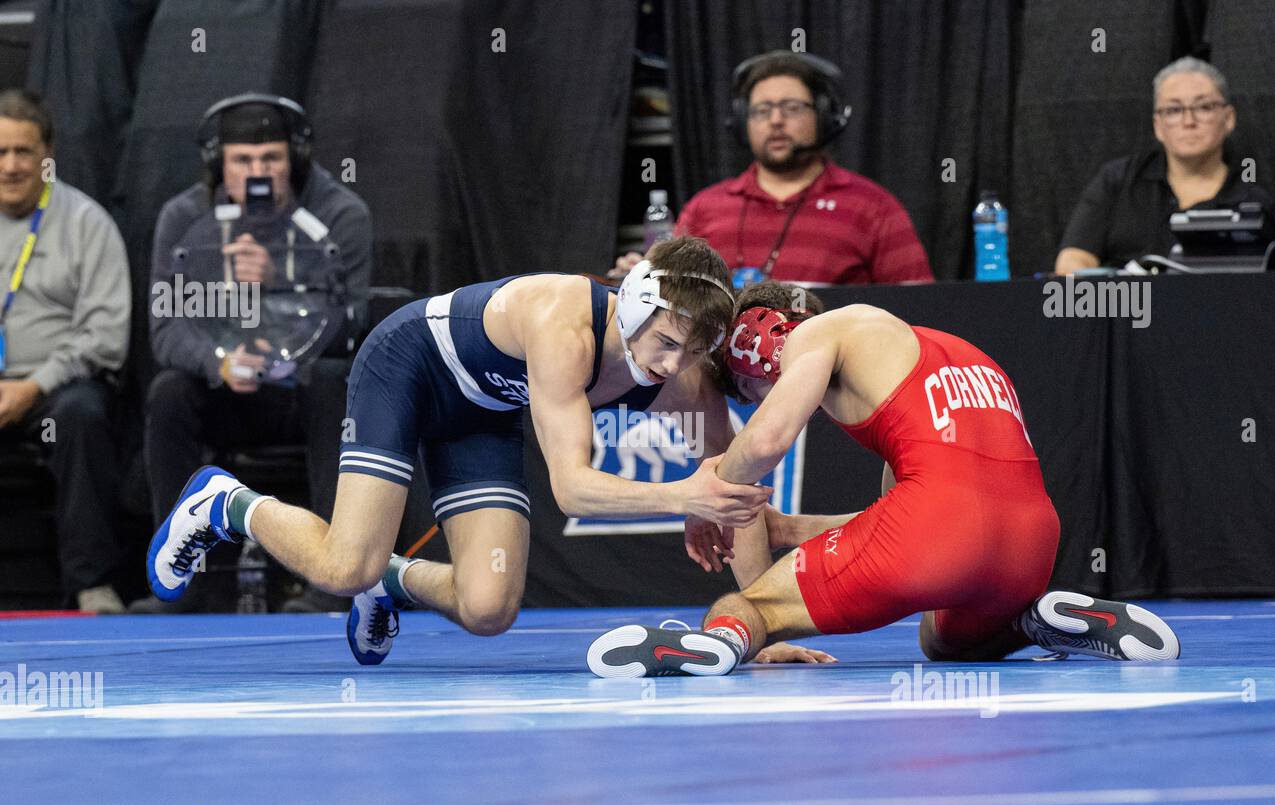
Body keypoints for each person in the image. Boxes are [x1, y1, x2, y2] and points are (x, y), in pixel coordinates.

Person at [146, 237, 772, 663]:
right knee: (343, 569)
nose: (672, 365)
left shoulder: (681, 374)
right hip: (409, 367)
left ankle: (390, 582)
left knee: (488, 607)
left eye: (693, 352)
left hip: (482, 412)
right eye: (666, 342)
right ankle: (224, 503)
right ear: (635, 304)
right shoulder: (566, 326)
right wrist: (685, 494)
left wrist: (761, 627)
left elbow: (737, 480)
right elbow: (573, 488)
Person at [588, 281, 1181, 677]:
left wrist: (708, 496)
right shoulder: (937, 348)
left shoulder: (819, 335)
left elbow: (766, 443)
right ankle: (1041, 617)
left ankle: (713, 645)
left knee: (750, 605)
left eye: (747, 390)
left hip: (935, 532)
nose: (753, 403)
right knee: (943, 642)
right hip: (1031, 541)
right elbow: (913, 510)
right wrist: (791, 527)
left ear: (757, 345)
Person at [136, 93, 372, 613]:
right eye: (243, 160)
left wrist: (282, 284)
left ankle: (335, 579)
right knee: (169, 391)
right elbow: (166, 327)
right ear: (219, 164)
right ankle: (185, 581)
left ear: (297, 159)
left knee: (336, 380)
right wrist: (217, 362)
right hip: (230, 392)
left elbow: (350, 327)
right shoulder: (183, 218)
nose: (257, 171)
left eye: (271, 158)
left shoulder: (340, 214)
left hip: (303, 391)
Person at [611, 51, 932, 287]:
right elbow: (674, 302)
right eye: (762, 111)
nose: (776, 120)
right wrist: (643, 276)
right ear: (742, 123)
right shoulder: (705, 208)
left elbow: (919, 305)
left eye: (792, 108)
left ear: (824, 117)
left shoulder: (874, 206)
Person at [0, 89, 130, 613]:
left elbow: (105, 335)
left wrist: (32, 387)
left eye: (23, 152)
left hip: (53, 388)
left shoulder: (86, 222)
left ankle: (91, 584)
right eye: (0, 152)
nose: (10, 166)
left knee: (82, 414)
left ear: (47, 155)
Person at [1055, 57, 1275, 273]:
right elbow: (1073, 260)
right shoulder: (1117, 181)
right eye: (1173, 110)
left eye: (1203, 107)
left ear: (1228, 118)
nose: (1188, 121)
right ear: (1158, 126)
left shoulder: (1253, 200)